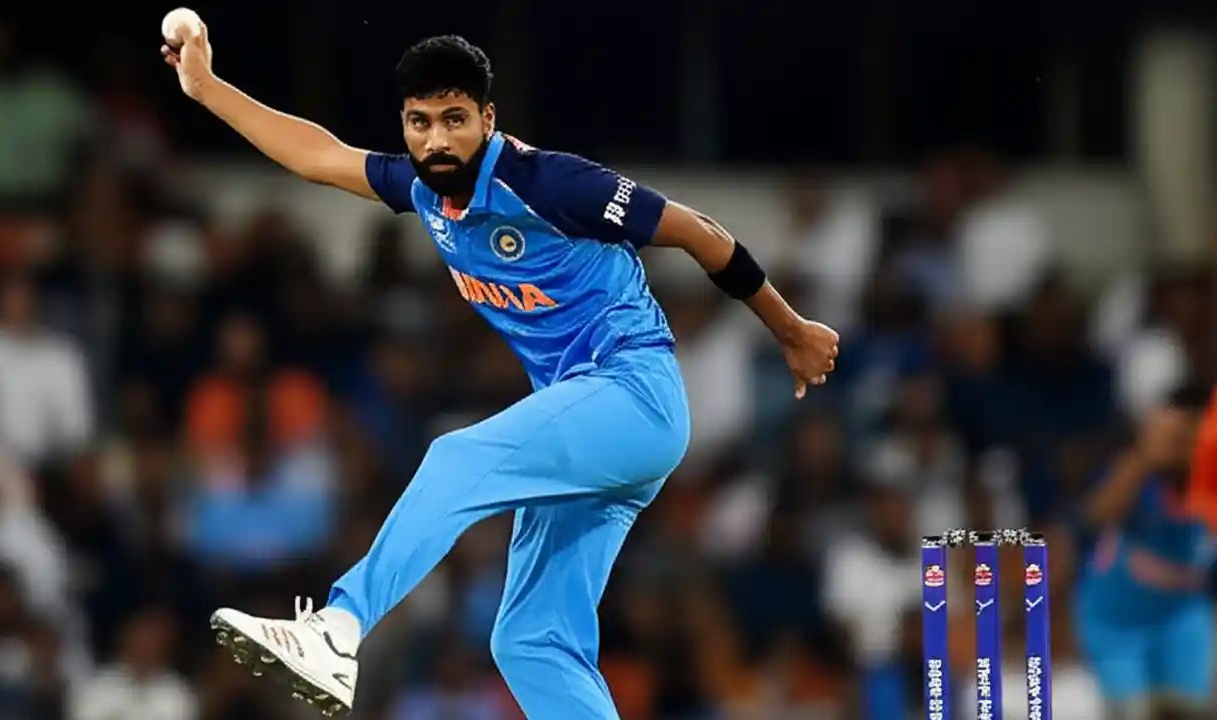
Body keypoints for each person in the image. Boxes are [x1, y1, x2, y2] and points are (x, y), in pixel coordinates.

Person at [161, 28, 839, 718]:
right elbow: (317, 155)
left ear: (487, 119)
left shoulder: (548, 183)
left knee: (456, 456)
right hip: (592, 425)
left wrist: (791, 330)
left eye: (454, 120)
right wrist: (207, 88)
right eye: (420, 123)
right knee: (530, 640)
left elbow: (700, 231)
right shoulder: (422, 188)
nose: (437, 141)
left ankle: (337, 630)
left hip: (634, 395)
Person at [1077, 385, 1216, 720]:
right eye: (1179, 434)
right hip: (1117, 622)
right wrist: (1144, 456)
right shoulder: (1138, 473)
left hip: (1181, 620)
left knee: (1189, 711)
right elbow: (1095, 517)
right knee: (1133, 713)